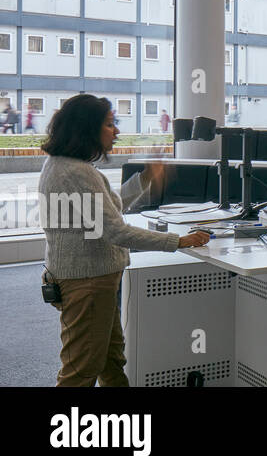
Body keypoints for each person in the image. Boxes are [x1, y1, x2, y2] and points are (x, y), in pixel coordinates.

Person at [38, 94, 210, 386]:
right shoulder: (75, 172)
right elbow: (115, 230)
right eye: (109, 124)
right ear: (86, 129)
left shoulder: (66, 166)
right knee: (81, 370)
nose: (116, 131)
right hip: (88, 282)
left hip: (89, 279)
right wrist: (179, 241)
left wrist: (146, 179)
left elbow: (108, 208)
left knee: (110, 360)